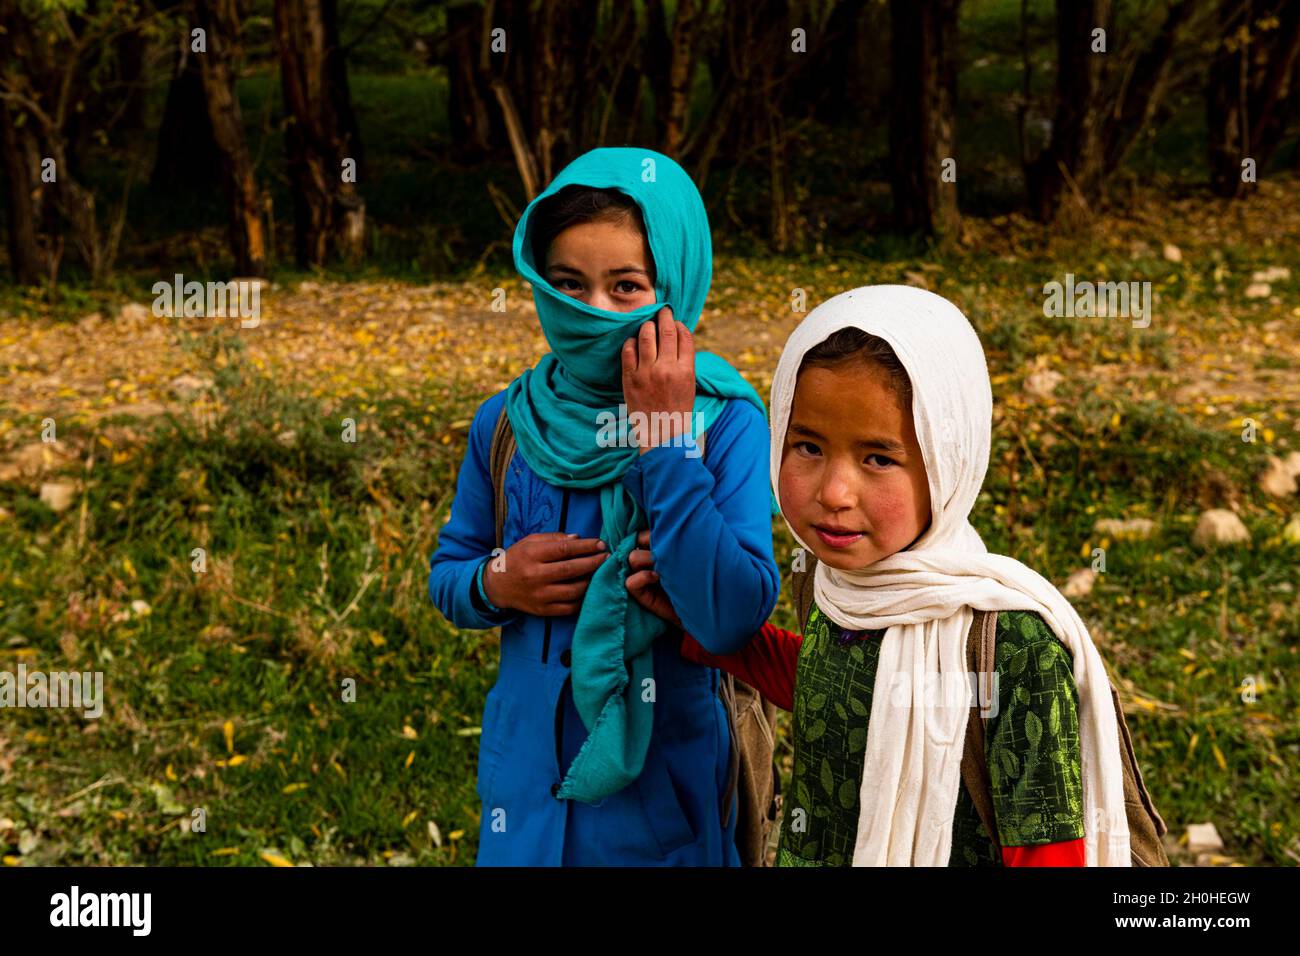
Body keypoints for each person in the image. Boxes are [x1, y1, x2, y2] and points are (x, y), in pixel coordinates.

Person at [627, 285, 1134, 866]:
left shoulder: (1013, 645)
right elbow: (836, 686)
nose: (834, 493)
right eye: (808, 447)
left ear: (948, 460)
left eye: (878, 458)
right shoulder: (833, 585)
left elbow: (1048, 853)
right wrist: (707, 634)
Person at [428, 147, 779, 865]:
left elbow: (733, 612)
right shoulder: (507, 423)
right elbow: (449, 575)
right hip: (523, 800)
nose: (594, 312)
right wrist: (497, 580)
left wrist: (663, 434)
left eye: (626, 287)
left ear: (674, 285)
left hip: (663, 805)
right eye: (567, 284)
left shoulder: (725, 424)